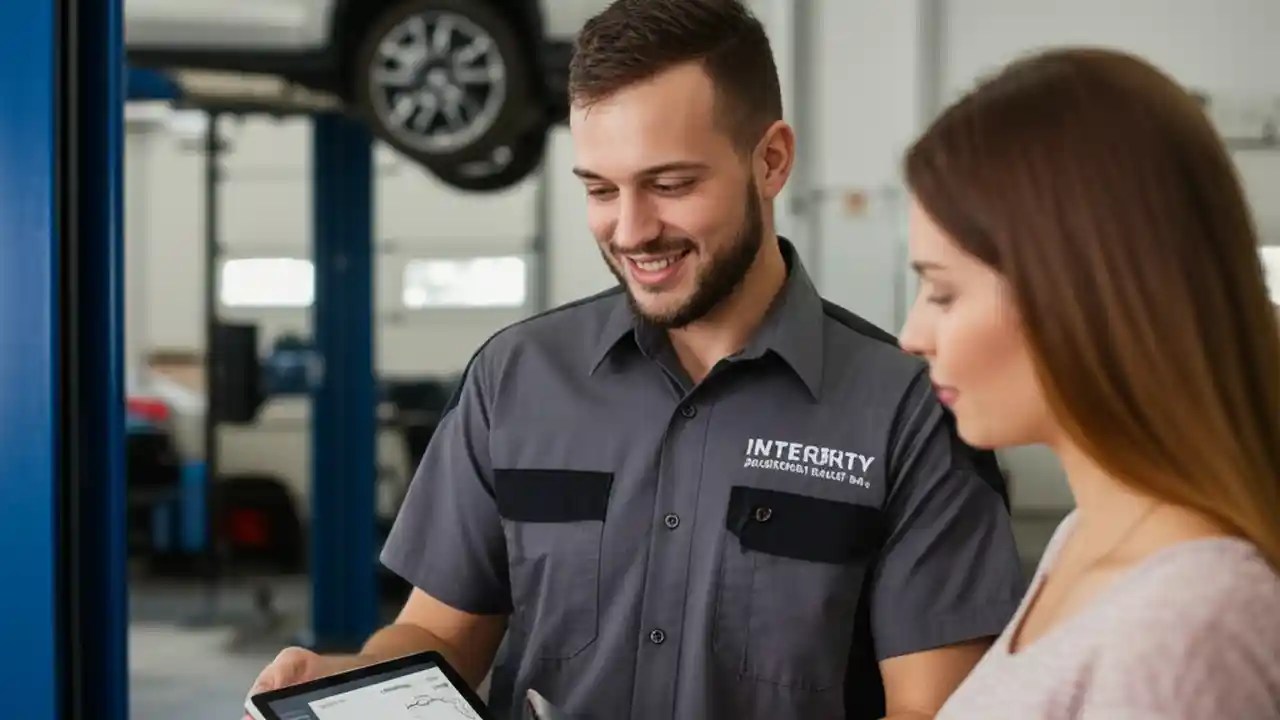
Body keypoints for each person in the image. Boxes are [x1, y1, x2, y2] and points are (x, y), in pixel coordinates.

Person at [245, 1, 1025, 718]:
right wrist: (349, 687)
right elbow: (439, 634)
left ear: (771, 161)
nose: (631, 230)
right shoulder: (517, 380)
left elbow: (930, 710)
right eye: (600, 190)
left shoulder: (909, 413)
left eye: (670, 184)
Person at [896, 47, 1280, 719]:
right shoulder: (1088, 533)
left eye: (943, 293)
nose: (911, 335)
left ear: (1075, 296)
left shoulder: (1187, 625)